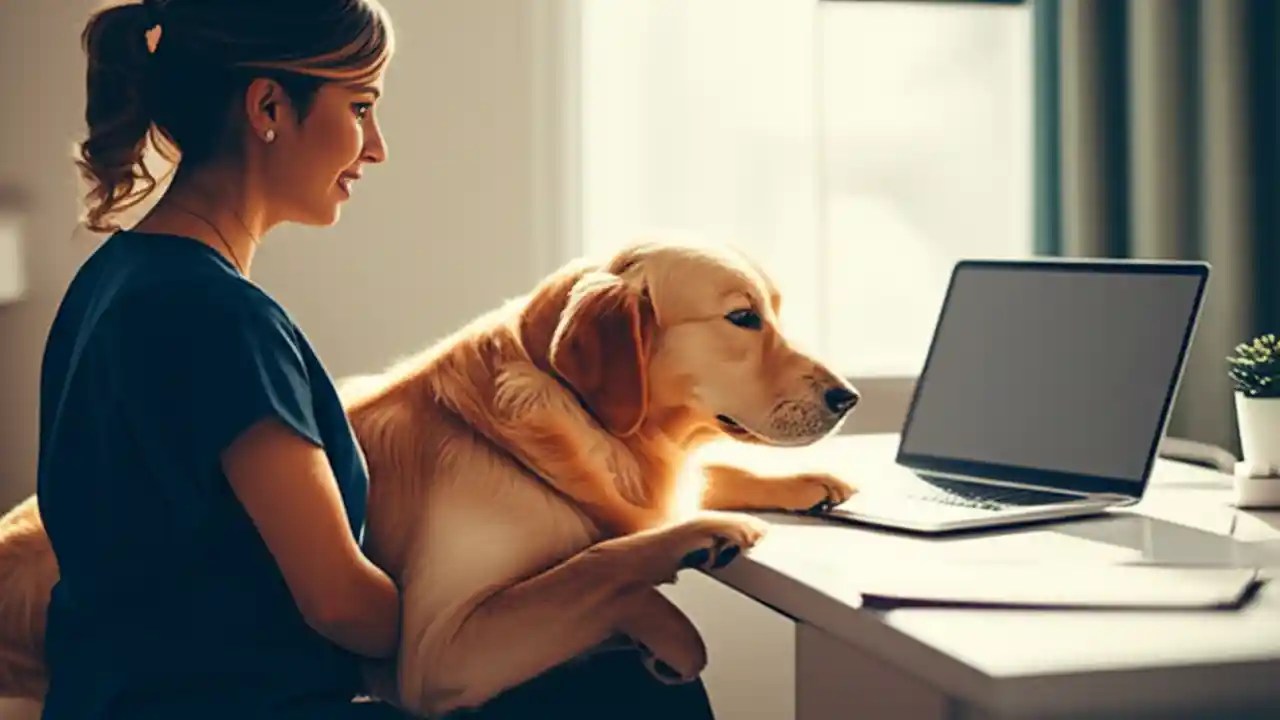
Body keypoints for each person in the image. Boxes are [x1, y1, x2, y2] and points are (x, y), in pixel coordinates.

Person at [35, 1, 716, 719]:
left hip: (106, 698)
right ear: (268, 105)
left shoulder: (115, 277)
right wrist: (469, 611)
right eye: (360, 106)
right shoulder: (219, 317)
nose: (376, 146)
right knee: (636, 692)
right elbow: (342, 605)